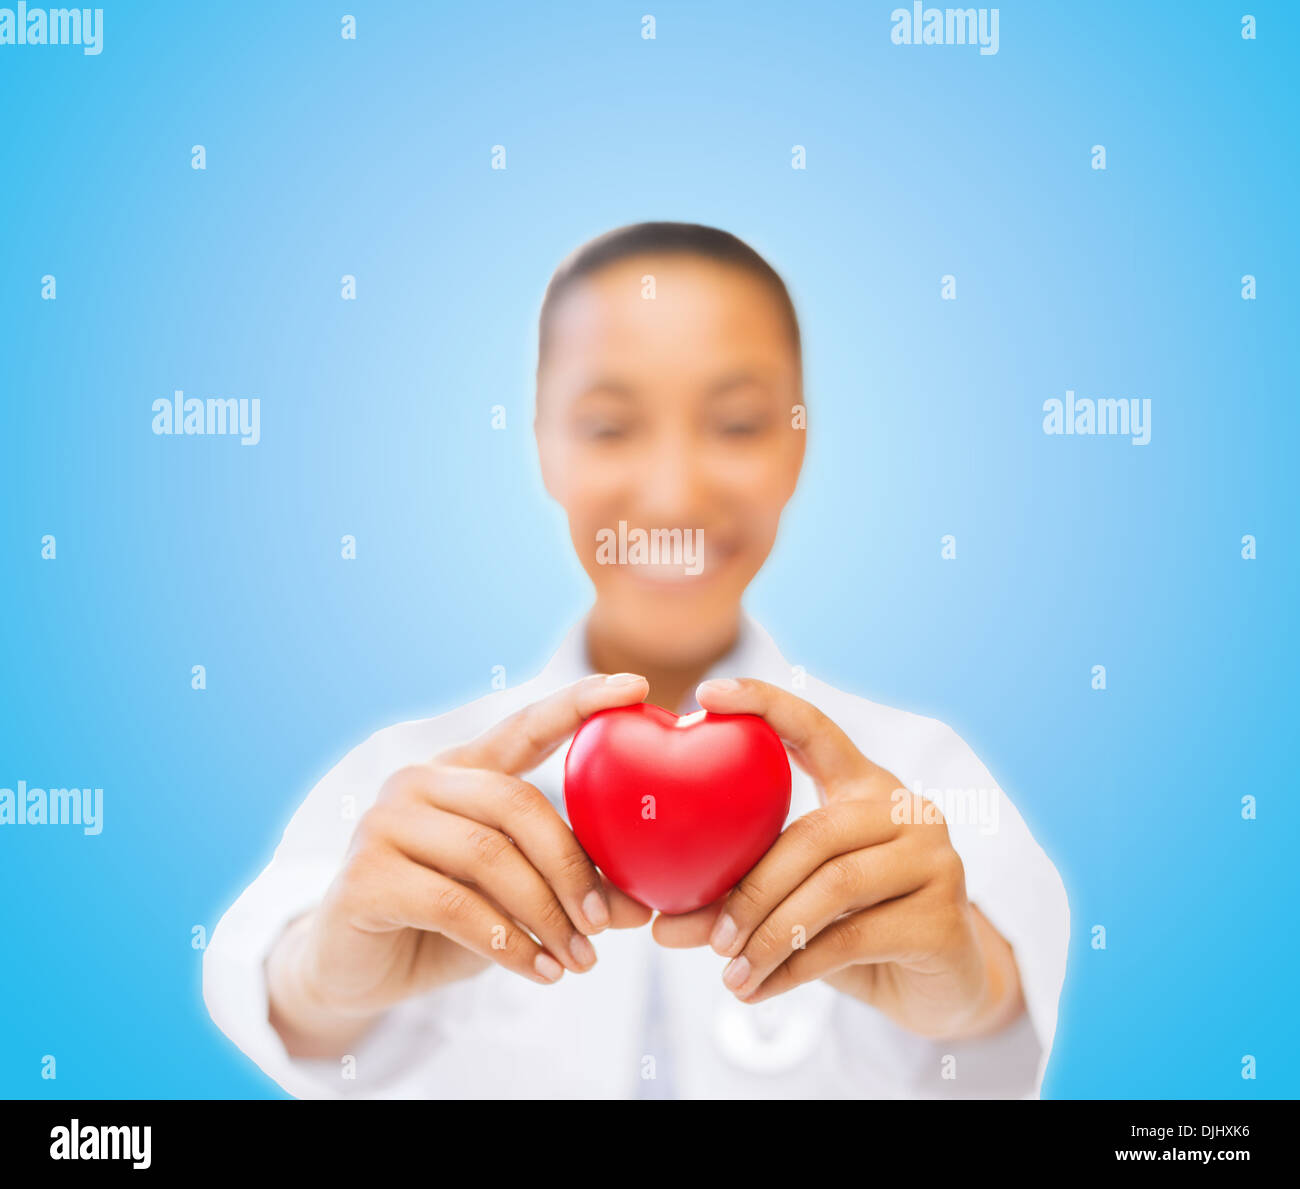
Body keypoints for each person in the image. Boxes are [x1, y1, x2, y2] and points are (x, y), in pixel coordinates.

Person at [203, 222, 1070, 1098]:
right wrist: (321, 976)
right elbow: (269, 983)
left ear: (798, 444)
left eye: (736, 423)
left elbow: (1021, 1000)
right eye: (610, 427)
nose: (672, 492)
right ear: (543, 442)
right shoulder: (412, 782)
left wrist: (977, 983)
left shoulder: (914, 779)